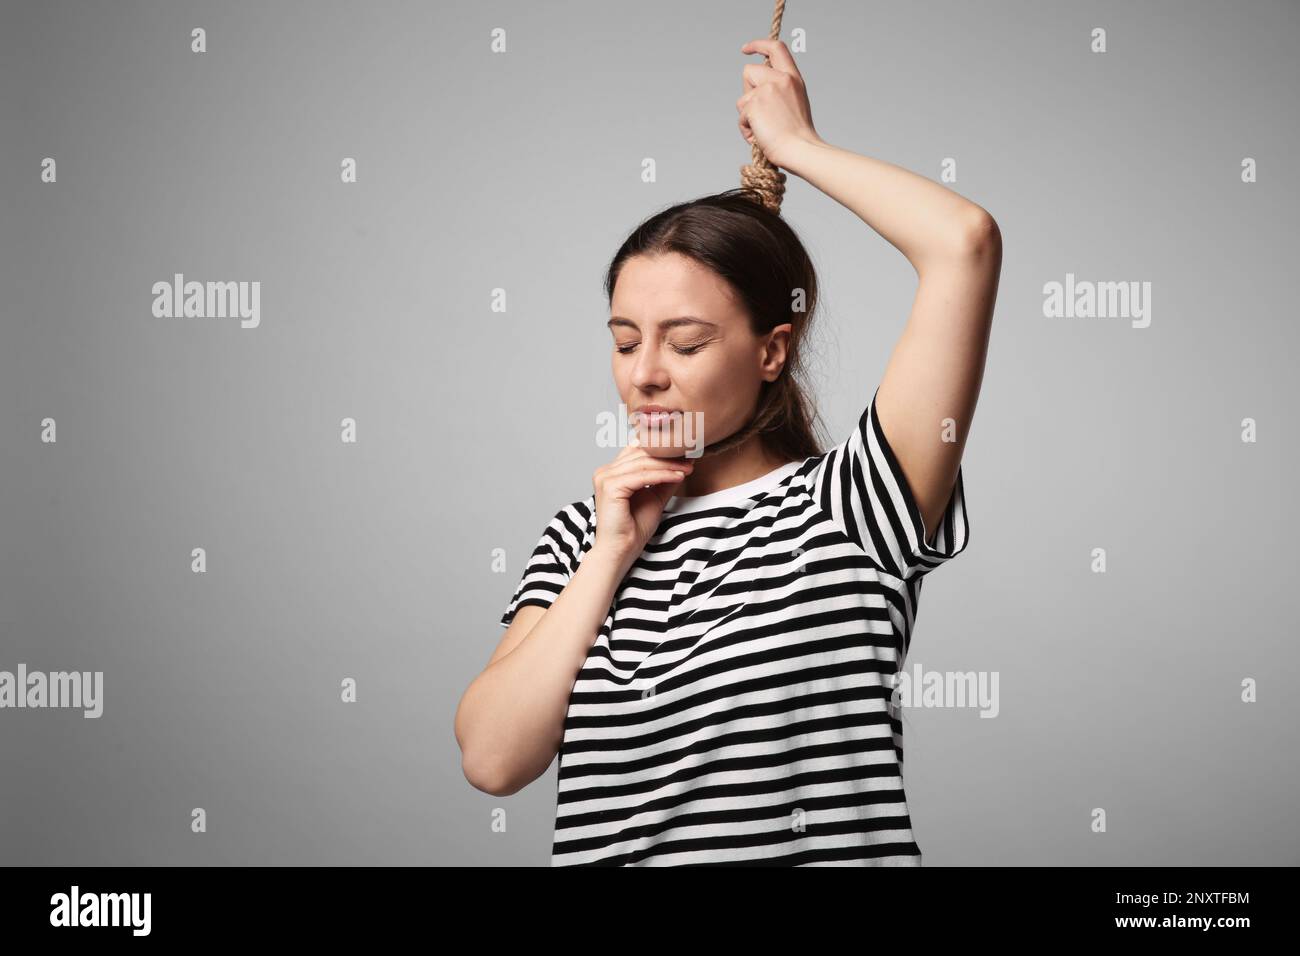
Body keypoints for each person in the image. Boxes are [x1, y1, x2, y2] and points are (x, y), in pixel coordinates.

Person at [455, 36, 1000, 865]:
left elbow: (964, 243)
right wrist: (610, 555)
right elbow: (494, 761)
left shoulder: (854, 507)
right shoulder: (580, 534)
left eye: (687, 342)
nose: (645, 377)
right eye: (625, 340)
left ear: (771, 351)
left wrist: (799, 151)